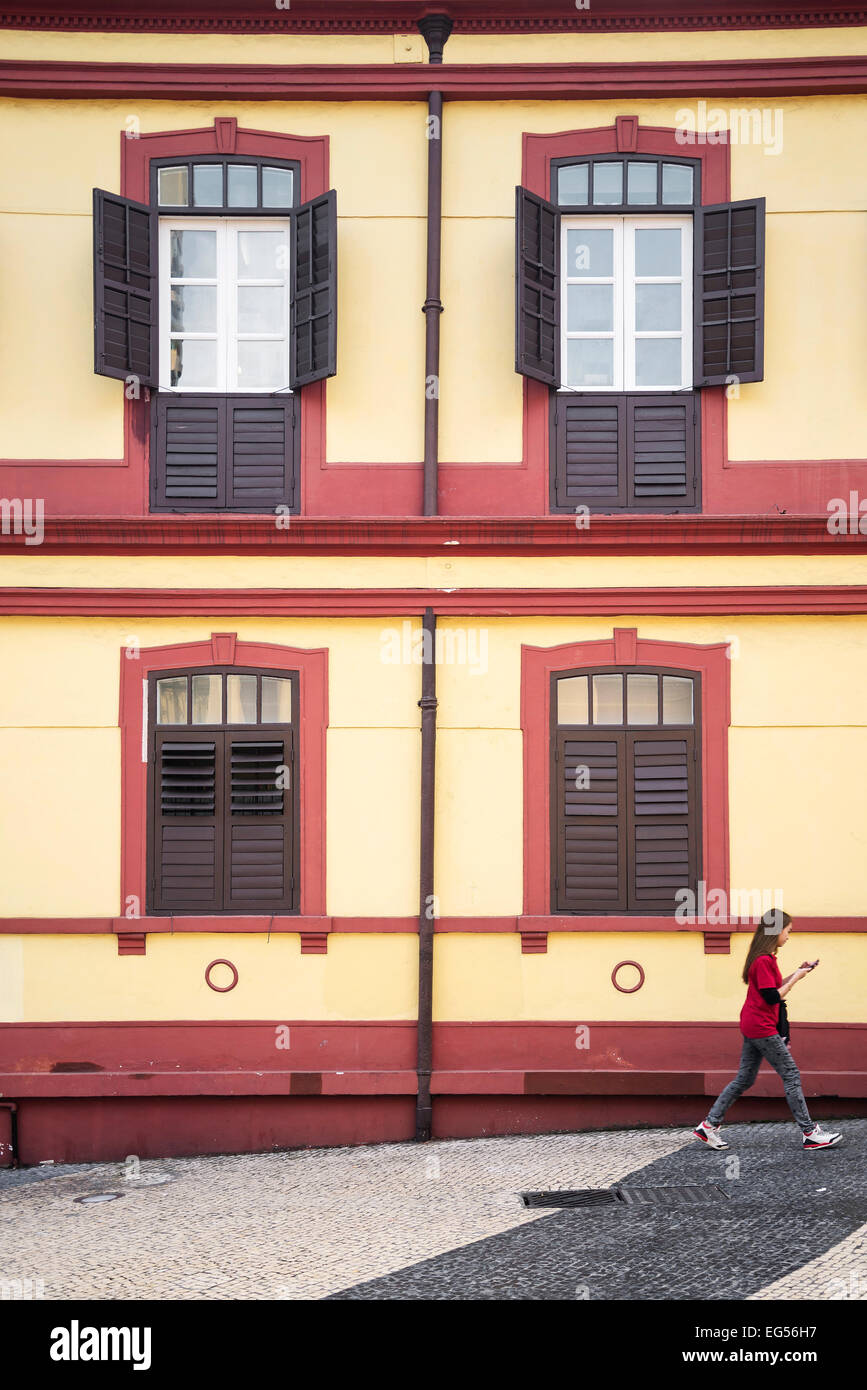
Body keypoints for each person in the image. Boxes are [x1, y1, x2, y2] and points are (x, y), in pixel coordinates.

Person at [693, 908, 842, 1151]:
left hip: (754, 1024)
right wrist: (796, 980)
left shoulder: (766, 959)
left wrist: (798, 972)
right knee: (791, 1075)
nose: (789, 936)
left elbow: (773, 988)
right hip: (761, 1026)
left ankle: (708, 1126)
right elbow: (773, 997)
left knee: (744, 1078)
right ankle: (810, 1133)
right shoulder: (763, 961)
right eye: (788, 931)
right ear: (776, 931)